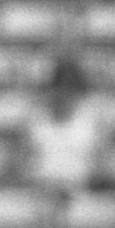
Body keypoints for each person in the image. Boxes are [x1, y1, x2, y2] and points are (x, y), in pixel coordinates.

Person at [26, 54, 104, 197]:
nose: (64, 92)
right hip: (42, 189)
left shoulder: (92, 118)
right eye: (59, 86)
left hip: (81, 190)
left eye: (70, 88)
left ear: (79, 91)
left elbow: (101, 162)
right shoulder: (36, 118)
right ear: (50, 89)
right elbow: (23, 161)